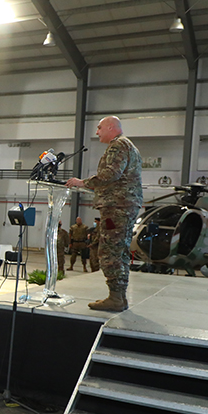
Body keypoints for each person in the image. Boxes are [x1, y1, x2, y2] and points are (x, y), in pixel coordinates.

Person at [66, 116, 142, 311]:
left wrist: (83, 183)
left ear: (111, 127)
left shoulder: (118, 146)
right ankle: (119, 297)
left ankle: (116, 298)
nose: (97, 132)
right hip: (123, 205)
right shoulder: (128, 146)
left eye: (99, 128)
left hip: (117, 207)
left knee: (109, 251)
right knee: (119, 250)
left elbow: (111, 174)